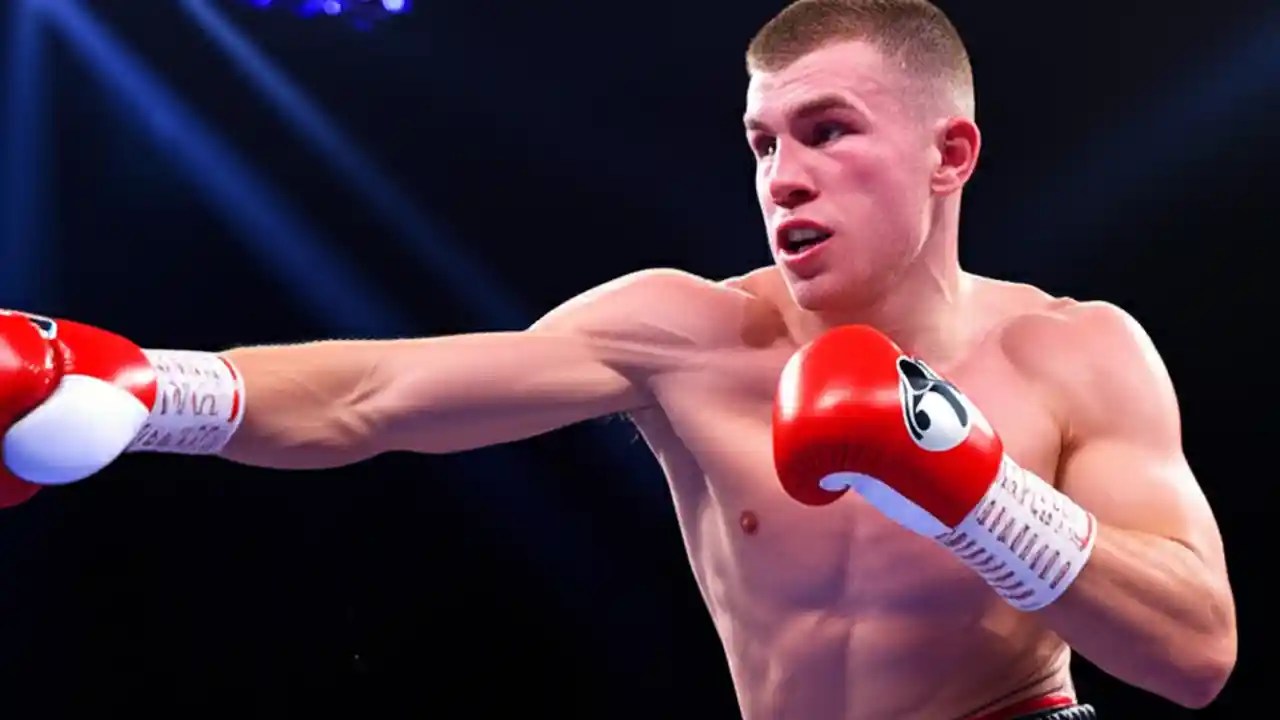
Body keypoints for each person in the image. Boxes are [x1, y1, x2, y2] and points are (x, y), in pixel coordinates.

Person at [0, 0, 1237, 717]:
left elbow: (1193, 656)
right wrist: (146, 390)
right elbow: (375, 396)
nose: (781, 177)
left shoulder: (1073, 351)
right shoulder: (684, 332)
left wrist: (964, 483)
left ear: (947, 153)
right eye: (762, 143)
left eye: (825, 131)